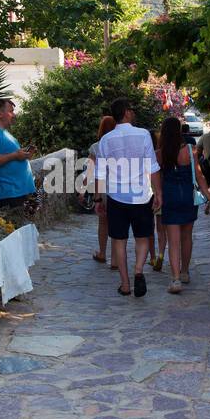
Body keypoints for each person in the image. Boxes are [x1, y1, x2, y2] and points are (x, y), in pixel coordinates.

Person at [94, 97, 162, 297]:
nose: (133, 112)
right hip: (141, 195)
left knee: (119, 240)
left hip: (116, 196)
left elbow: (99, 172)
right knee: (142, 237)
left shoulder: (106, 140)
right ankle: (139, 270)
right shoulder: (143, 135)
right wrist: (158, 192)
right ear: (125, 112)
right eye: (131, 109)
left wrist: (98, 199)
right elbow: (153, 166)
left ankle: (125, 284)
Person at [158, 115, 210, 292]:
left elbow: (156, 179)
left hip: (170, 197)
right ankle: (184, 272)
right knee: (187, 237)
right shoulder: (191, 150)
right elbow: (199, 176)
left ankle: (175, 280)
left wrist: (156, 196)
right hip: (188, 198)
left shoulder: (159, 154)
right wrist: (209, 197)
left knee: (173, 241)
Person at [0, 98, 37, 210]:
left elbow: (11, 155)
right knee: (14, 227)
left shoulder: (3, 133)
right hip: (7, 195)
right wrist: (15, 155)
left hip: (16, 193)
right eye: (10, 111)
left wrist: (24, 154)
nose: (14, 115)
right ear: (0, 113)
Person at [88, 114, 115, 264]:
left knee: (103, 223)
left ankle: (103, 253)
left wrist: (82, 188)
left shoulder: (95, 147)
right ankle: (115, 260)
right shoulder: (119, 145)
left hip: (102, 188)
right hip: (117, 188)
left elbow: (90, 170)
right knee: (117, 223)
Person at [148, 129, 167, 271]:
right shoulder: (162, 154)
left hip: (147, 193)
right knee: (161, 229)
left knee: (149, 229)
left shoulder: (147, 156)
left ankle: (152, 257)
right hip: (162, 192)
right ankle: (161, 255)